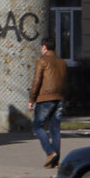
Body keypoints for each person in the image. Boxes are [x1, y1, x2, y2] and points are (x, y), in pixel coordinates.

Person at [28, 37, 67, 168]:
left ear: (44, 47)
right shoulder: (62, 62)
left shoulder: (42, 61)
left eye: (41, 47)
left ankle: (50, 153)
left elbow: (37, 81)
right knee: (55, 129)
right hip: (60, 98)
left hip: (45, 99)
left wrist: (31, 99)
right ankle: (55, 162)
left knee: (37, 127)